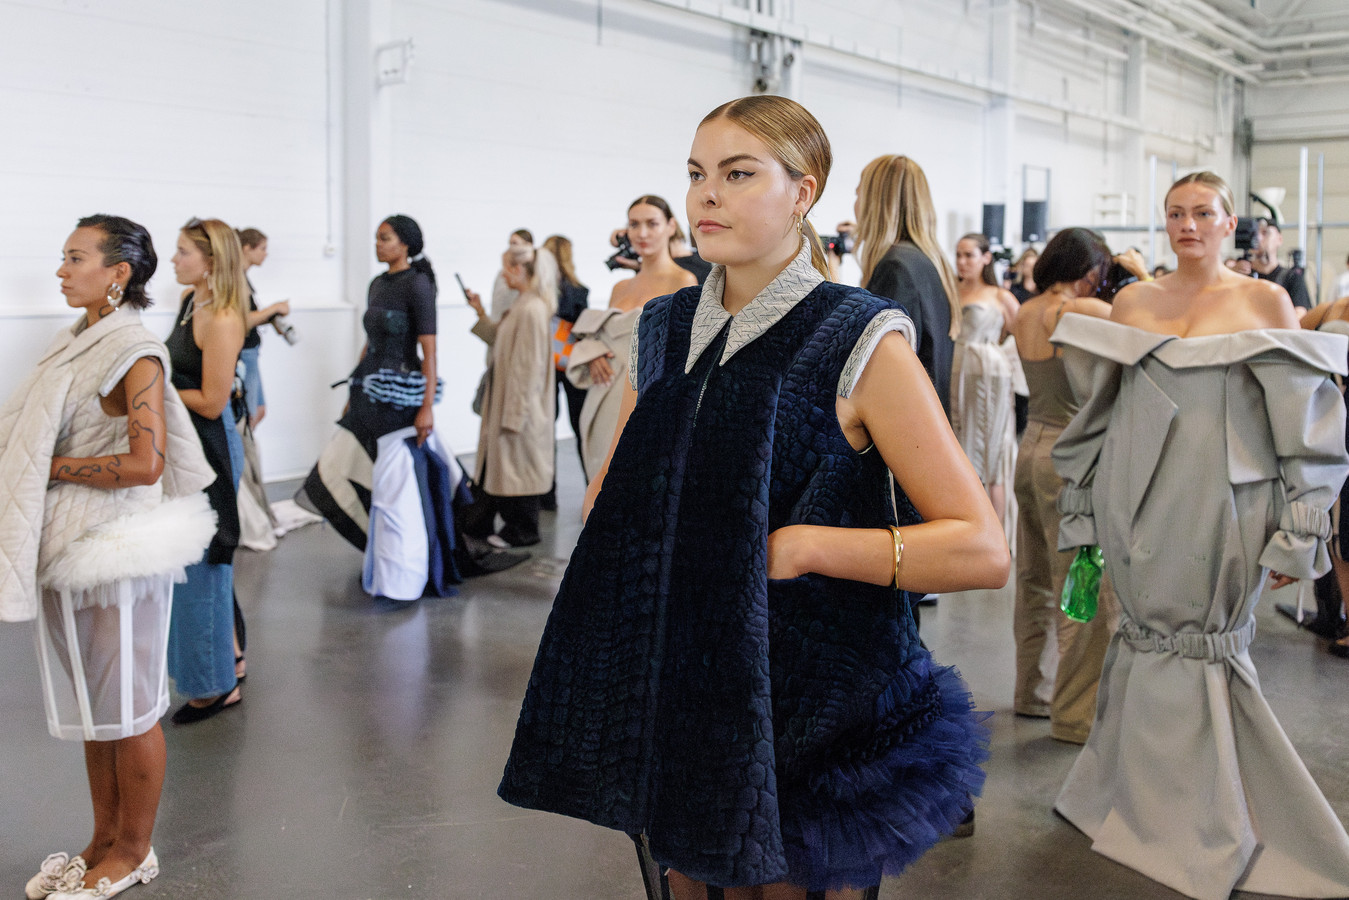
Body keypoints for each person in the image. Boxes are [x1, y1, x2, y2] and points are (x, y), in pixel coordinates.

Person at [499, 95, 1009, 899]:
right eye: (697, 173)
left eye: (738, 174)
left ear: (802, 193)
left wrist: (802, 547)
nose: (707, 194)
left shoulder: (858, 336)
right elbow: (609, 493)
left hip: (814, 705)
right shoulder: (663, 329)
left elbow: (979, 547)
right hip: (686, 697)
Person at [1051, 171, 1349, 899]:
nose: (1188, 224)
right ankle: (1134, 802)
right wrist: (1084, 512)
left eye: (1202, 213)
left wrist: (1299, 531)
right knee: (1144, 638)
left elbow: (1302, 426)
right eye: (1175, 213)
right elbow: (1099, 416)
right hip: (1138, 496)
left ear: (1227, 223)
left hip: (1228, 501)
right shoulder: (1133, 302)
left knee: (1209, 640)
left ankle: (1212, 818)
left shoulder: (1265, 301)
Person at [0, 216, 215, 900]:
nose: (61, 271)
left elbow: (147, 464)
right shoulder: (76, 342)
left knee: (130, 707)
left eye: (75, 258)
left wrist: (49, 465)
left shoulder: (134, 351)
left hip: (115, 550)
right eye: (63, 258)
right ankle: (101, 842)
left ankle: (134, 850)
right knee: (101, 710)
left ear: (118, 272)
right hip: (73, 545)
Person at [296, 215, 471, 599]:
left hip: (400, 401)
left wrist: (427, 407)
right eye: (377, 238)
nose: (378, 244)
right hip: (368, 390)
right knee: (341, 467)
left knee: (395, 487)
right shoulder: (377, 283)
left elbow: (430, 352)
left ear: (405, 244)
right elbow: (369, 343)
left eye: (385, 238)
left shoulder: (418, 285)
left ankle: (403, 572)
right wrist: (354, 386)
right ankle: (380, 557)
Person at [1009, 227, 1118, 740]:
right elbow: (1150, 328)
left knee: (1033, 580)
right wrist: (1138, 278)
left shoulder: (1024, 311)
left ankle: (1032, 692)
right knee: (1081, 584)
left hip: (1029, 447)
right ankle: (1075, 715)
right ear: (1090, 269)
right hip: (1070, 461)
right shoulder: (1083, 310)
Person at [165, 217, 248, 724]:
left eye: (182, 252)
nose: (174, 260)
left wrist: (154, 389)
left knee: (204, 563)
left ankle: (215, 687)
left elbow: (214, 402)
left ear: (210, 261)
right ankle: (230, 656)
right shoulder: (188, 302)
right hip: (188, 446)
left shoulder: (222, 318)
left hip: (211, 449)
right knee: (199, 561)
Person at [567, 195, 697, 482]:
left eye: (652, 223)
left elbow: (682, 353)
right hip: (602, 396)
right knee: (597, 480)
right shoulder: (620, 286)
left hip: (644, 401)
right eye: (634, 224)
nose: (642, 233)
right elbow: (599, 334)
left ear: (670, 226)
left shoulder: (683, 281)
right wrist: (594, 352)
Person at [463, 244, 558, 548]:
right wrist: (479, 311)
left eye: (506, 267)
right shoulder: (523, 304)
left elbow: (527, 369)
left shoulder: (531, 309)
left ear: (519, 269)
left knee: (516, 470)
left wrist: (514, 416)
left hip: (517, 406)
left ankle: (521, 530)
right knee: (501, 468)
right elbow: (499, 340)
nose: (503, 274)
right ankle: (483, 524)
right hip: (506, 402)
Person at [853, 155, 960, 419]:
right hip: (928, 420)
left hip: (906, 423)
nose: (855, 205)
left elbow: (880, 372)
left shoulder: (895, 268)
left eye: (859, 194)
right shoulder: (928, 262)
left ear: (874, 202)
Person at [951, 232, 1020, 527]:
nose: (962, 261)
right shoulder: (951, 290)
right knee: (958, 443)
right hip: (956, 371)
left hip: (988, 375)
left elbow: (1025, 334)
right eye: (959, 255)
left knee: (990, 451)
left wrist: (1002, 356)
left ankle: (994, 532)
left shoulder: (999, 295)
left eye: (969, 255)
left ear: (985, 258)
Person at [1300, 297, 1349, 658]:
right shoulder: (1333, 307)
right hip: (1336, 414)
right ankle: (1339, 617)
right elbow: (1291, 336)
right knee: (1340, 530)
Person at [542, 234, 590, 490]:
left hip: (544, 364)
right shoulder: (579, 291)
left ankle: (546, 492)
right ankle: (591, 486)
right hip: (573, 362)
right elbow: (584, 330)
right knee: (581, 428)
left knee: (545, 429)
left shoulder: (540, 293)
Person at [236, 228, 290, 429]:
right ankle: (245, 448)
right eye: (262, 248)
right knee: (249, 415)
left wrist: (270, 318)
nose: (265, 254)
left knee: (258, 410)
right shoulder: (236, 279)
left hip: (251, 351)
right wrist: (274, 308)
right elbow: (242, 320)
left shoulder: (243, 277)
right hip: (244, 352)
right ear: (246, 248)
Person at [1252, 219, 1312, 314]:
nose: (1259, 238)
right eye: (1254, 233)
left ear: (1279, 239)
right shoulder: (1241, 276)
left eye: (1265, 233)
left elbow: (1300, 314)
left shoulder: (1291, 278)